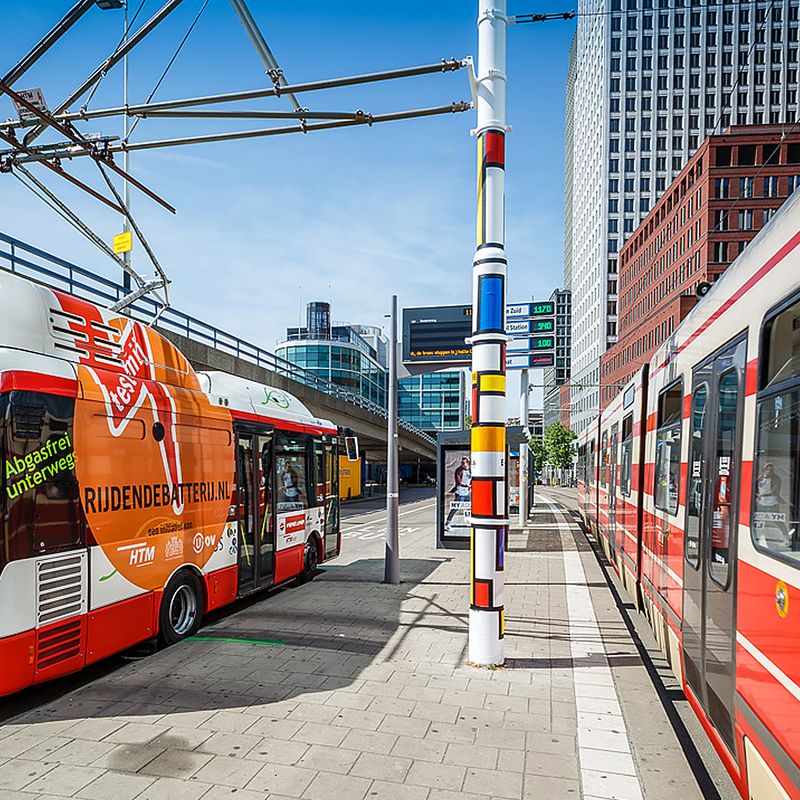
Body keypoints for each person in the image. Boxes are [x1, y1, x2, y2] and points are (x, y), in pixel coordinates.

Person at [756, 462, 791, 546]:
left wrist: (762, 495)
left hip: (772, 502)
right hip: (761, 502)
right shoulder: (760, 478)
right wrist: (757, 496)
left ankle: (786, 538)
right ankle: (758, 538)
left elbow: (775, 491)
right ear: (764, 470)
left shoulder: (776, 478)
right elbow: (755, 488)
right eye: (768, 470)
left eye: (772, 470)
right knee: (758, 520)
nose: (770, 472)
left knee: (777, 521)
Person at [445, 456, 471, 531]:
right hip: (460, 493)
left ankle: (471, 522)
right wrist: (466, 485)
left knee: (471, 508)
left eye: (464, 463)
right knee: (455, 509)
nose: (462, 464)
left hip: (468, 493)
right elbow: (458, 482)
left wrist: (470, 486)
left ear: (468, 463)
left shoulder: (471, 470)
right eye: (461, 463)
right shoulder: (459, 470)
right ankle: (447, 524)